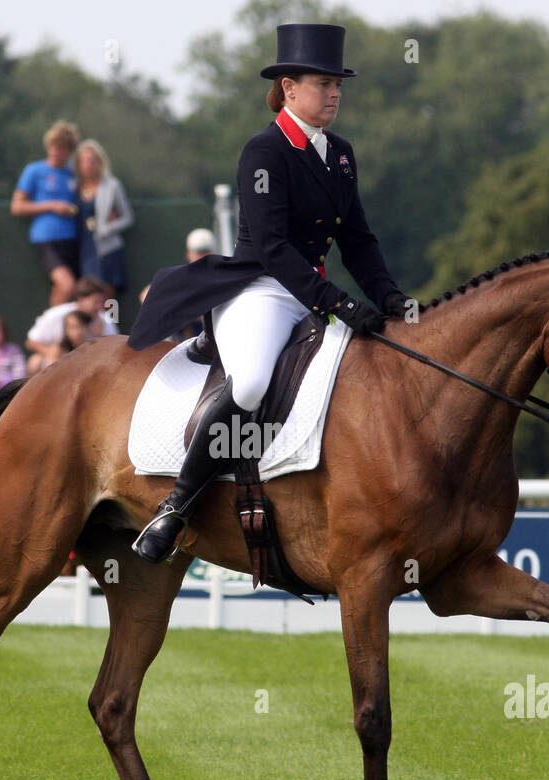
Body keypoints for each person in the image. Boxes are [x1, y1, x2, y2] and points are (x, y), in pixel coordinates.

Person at [126, 23, 413, 563]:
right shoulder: (263, 151)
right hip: (259, 288)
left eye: (338, 85)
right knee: (253, 382)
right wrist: (340, 302)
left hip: (311, 292)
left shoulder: (342, 154)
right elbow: (276, 249)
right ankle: (176, 506)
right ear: (288, 88)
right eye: (323, 83)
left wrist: (391, 298)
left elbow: (358, 239)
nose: (334, 94)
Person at [12, 121, 81, 308]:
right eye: (53, 146)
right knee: (68, 285)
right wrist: (51, 206)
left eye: (62, 148)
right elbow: (17, 206)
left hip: (71, 239)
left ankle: (55, 334)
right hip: (46, 238)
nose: (56, 151)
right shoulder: (34, 171)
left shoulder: (73, 174)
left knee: (62, 289)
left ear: (69, 151)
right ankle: (49, 330)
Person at [75, 139, 133, 302]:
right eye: (84, 161)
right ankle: (91, 325)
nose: (88, 165)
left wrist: (108, 228)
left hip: (107, 245)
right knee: (87, 292)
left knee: (107, 294)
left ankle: (110, 325)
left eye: (92, 161)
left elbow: (128, 217)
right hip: (84, 245)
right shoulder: (74, 185)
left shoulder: (112, 185)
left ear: (100, 162)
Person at [24, 275, 112, 373]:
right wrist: (52, 353)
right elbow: (31, 341)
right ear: (81, 300)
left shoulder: (104, 320)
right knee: (35, 362)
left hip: (90, 363)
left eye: (101, 302)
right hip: (56, 363)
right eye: (95, 302)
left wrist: (99, 337)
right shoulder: (55, 315)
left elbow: (111, 352)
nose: (99, 306)